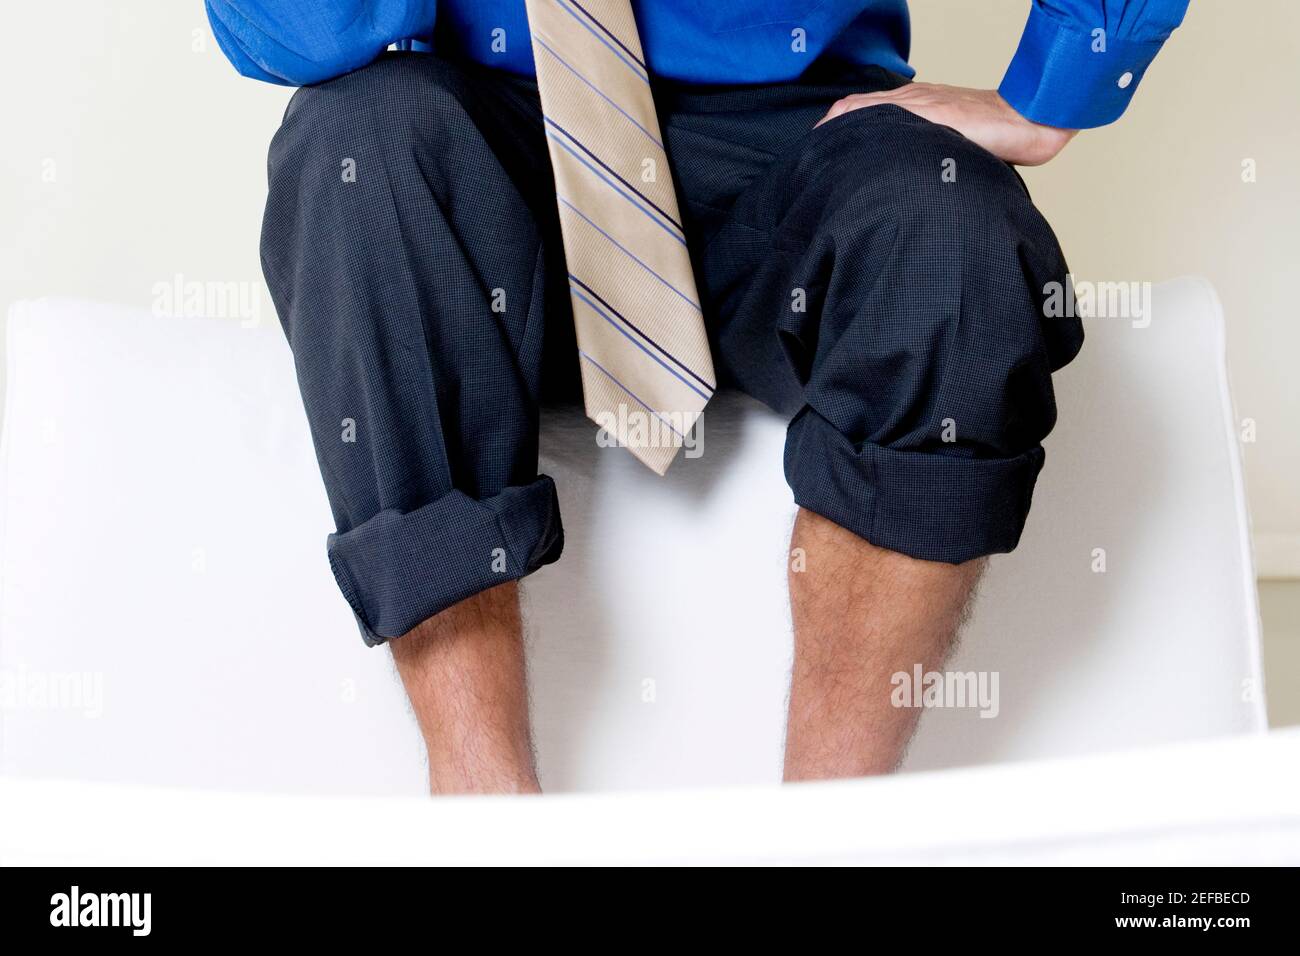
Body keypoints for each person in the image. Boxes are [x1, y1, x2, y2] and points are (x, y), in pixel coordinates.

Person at [206, 0, 1189, 792]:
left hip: (803, 124)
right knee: (356, 142)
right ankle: (484, 814)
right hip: (479, 140)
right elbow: (308, 37)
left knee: (952, 239)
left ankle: (830, 836)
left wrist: (1055, 86)